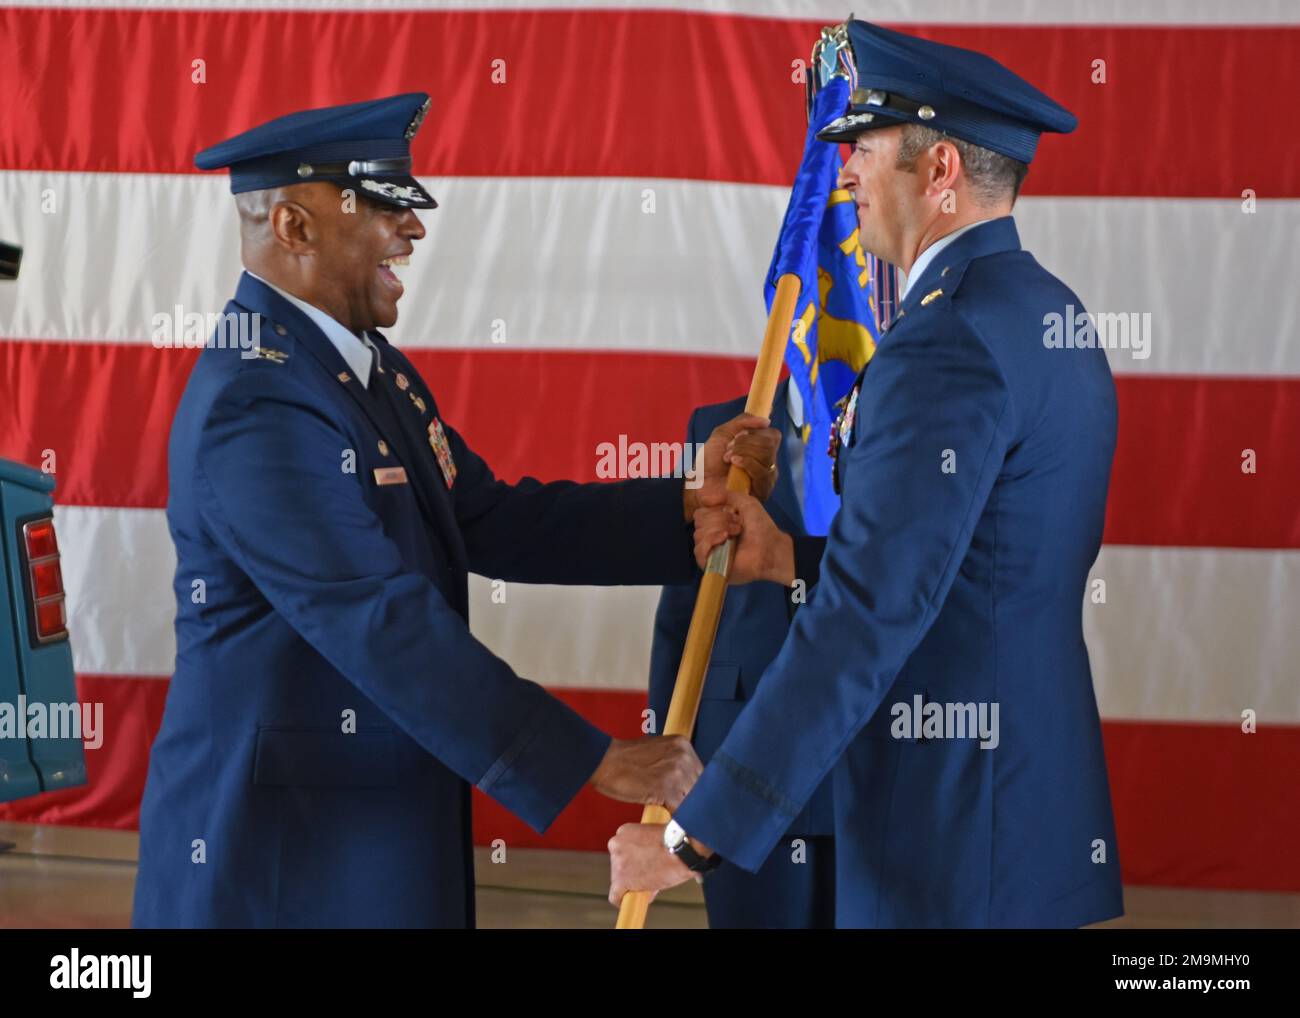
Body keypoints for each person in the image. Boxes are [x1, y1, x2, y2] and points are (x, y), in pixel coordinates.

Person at [132, 92, 779, 928]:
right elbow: (377, 620)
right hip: (285, 861)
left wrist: (688, 511)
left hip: (374, 828)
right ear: (293, 227)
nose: (413, 229)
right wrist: (596, 759)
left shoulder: (369, 371)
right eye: (382, 204)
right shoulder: (256, 401)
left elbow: (488, 518)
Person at [608, 21, 1124, 928]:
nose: (841, 172)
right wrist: (797, 565)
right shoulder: (1049, 310)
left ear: (940, 173)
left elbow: (869, 620)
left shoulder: (943, 341)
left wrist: (697, 834)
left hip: (947, 836)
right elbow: (972, 572)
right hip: (1023, 815)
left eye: (864, 147)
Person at [648, 378, 835, 928]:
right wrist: (668, 750)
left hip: (865, 754)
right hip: (736, 756)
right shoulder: (718, 426)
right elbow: (681, 612)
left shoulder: (903, 423)